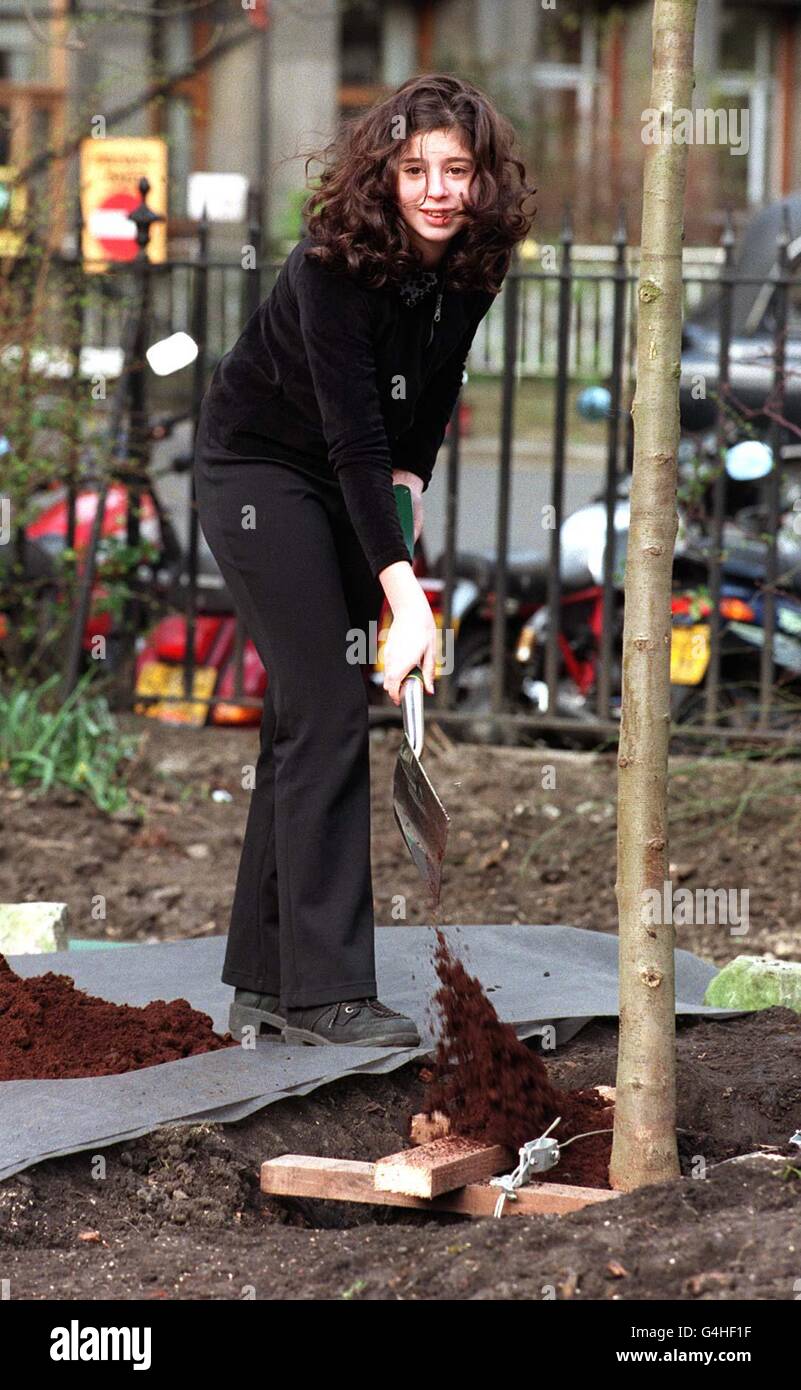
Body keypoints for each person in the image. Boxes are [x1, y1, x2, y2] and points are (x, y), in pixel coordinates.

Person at [193, 72, 535, 1048]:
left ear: (480, 179)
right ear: (382, 175)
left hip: (352, 479)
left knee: (302, 718)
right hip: (260, 469)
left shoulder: (475, 259)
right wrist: (405, 594)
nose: (437, 188)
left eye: (456, 170)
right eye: (415, 168)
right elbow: (350, 439)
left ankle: (264, 978)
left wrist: (413, 488)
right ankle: (328, 994)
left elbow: (428, 393)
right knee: (334, 703)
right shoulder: (331, 267)